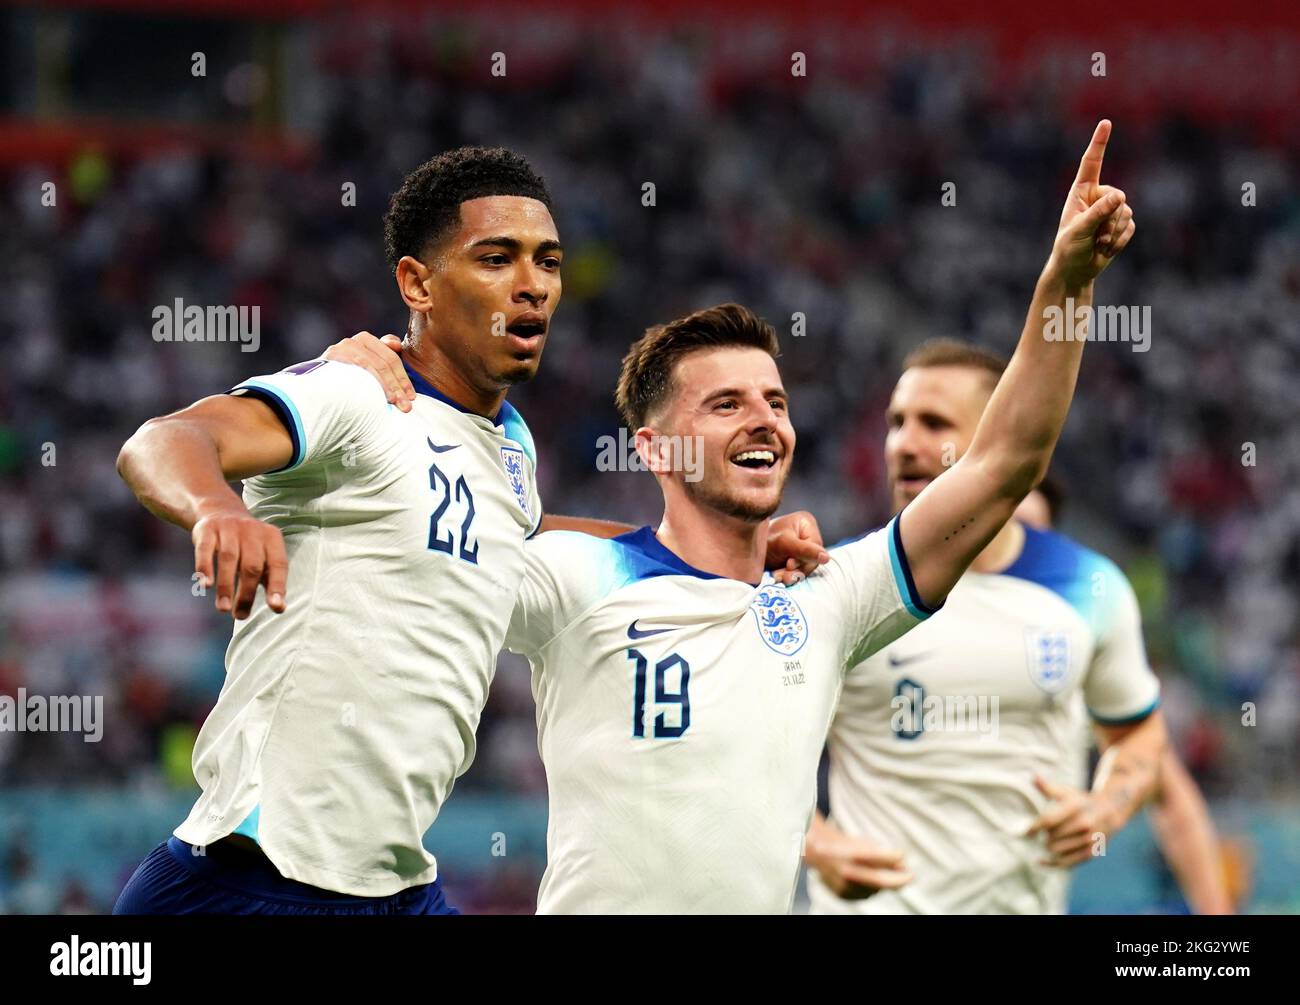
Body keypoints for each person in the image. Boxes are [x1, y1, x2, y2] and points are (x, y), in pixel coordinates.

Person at [339, 120, 1134, 911]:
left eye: (776, 402)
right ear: (654, 451)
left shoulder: (830, 599)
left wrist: (1066, 282)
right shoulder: (575, 582)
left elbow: (1003, 464)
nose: (765, 420)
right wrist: (358, 375)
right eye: (726, 404)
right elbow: (429, 535)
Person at [113, 146, 823, 915]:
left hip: (396, 887)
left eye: (547, 262)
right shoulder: (359, 391)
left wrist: (722, 543)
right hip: (255, 881)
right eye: (497, 258)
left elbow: (521, 533)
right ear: (418, 283)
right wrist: (217, 508)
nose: (532, 285)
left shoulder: (511, 446)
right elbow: (163, 440)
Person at [803, 339, 1173, 915]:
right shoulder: (839, 584)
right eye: (896, 423)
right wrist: (817, 844)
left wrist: (1107, 807)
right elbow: (749, 748)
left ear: (998, 437)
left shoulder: (1089, 587)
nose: (904, 443)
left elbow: (1137, 735)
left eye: (933, 423)